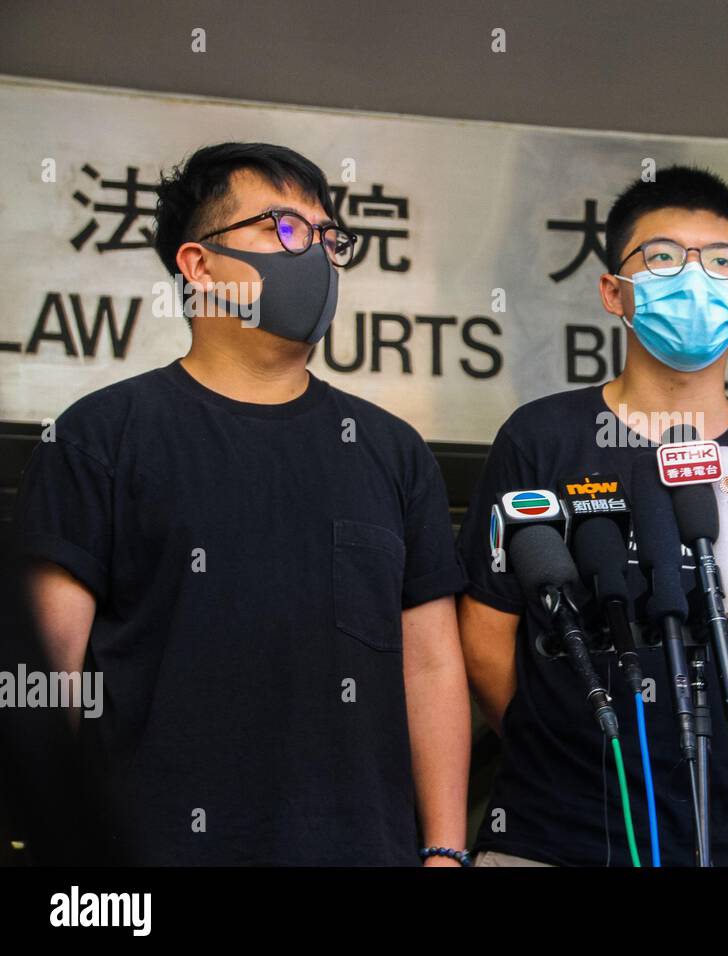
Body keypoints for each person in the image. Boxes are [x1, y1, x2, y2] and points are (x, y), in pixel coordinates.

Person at [17, 142, 471, 866]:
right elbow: (49, 674)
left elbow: (431, 668)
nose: (316, 254)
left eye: (329, 238)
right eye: (284, 229)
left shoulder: (392, 451)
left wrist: (446, 851)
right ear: (198, 266)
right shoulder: (98, 438)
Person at [456, 165, 728, 866]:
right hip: (549, 830)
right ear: (614, 291)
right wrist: (566, 738)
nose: (695, 279)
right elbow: (483, 634)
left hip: (717, 832)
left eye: (720, 263)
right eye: (662, 258)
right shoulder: (541, 438)